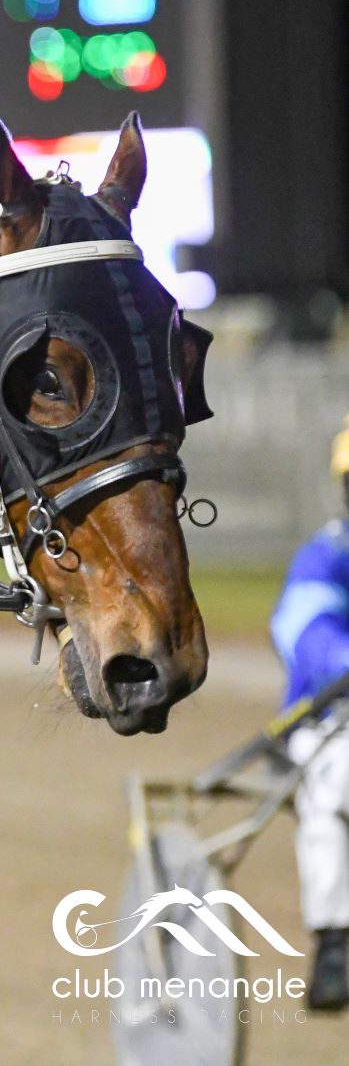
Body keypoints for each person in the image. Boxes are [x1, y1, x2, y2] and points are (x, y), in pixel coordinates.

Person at [271, 413, 349, 1012]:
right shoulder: (326, 554)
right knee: (334, 788)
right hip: (327, 723)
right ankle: (334, 943)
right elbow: (302, 630)